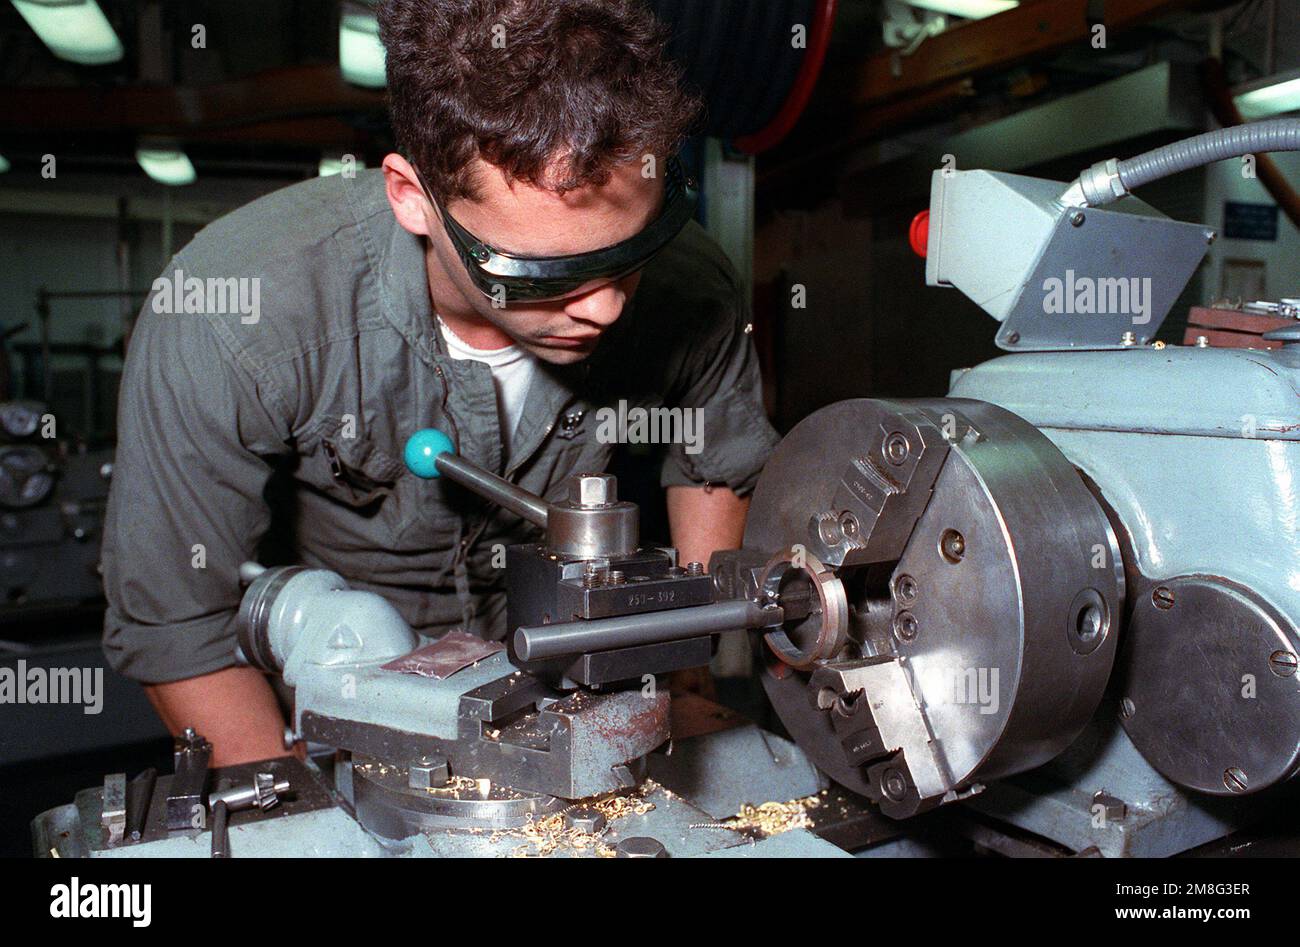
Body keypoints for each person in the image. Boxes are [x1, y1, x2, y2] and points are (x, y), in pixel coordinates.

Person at [102, 0, 780, 765]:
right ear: (412, 197)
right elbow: (176, 627)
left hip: (563, 685)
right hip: (339, 693)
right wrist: (297, 818)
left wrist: (679, 662)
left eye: (632, 250)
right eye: (539, 272)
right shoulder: (236, 314)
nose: (606, 305)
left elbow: (714, 462)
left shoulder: (696, 291)